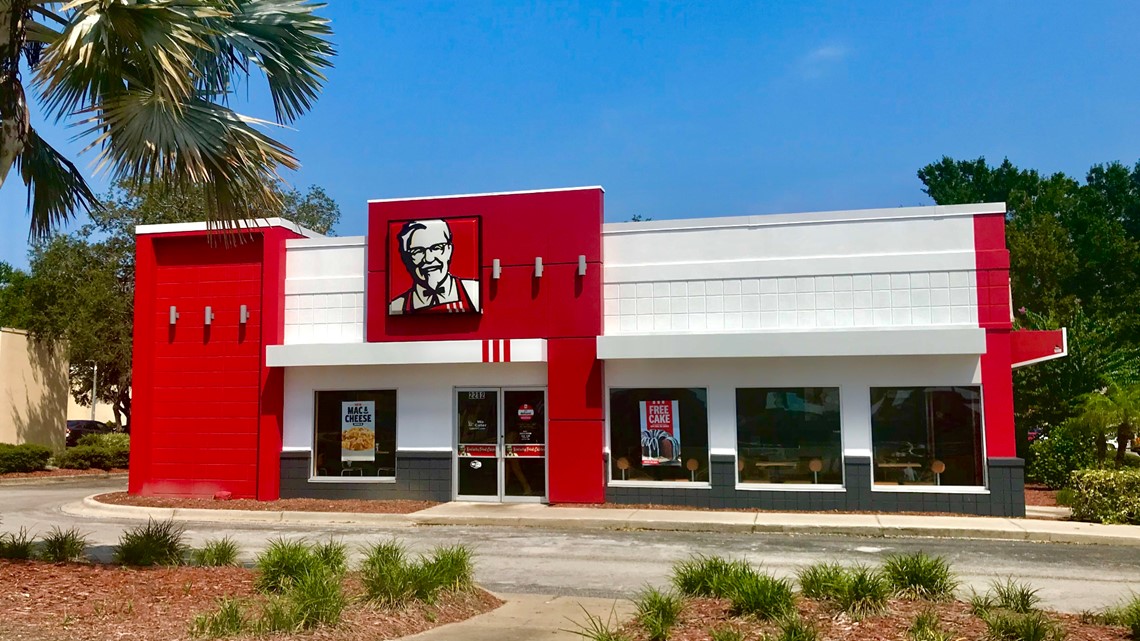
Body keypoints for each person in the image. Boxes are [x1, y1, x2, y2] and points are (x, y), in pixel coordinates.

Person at [388, 219, 480, 315]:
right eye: (418, 251)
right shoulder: (397, 306)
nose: (429, 259)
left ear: (449, 250)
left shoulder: (473, 292)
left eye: (436, 248)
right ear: (407, 258)